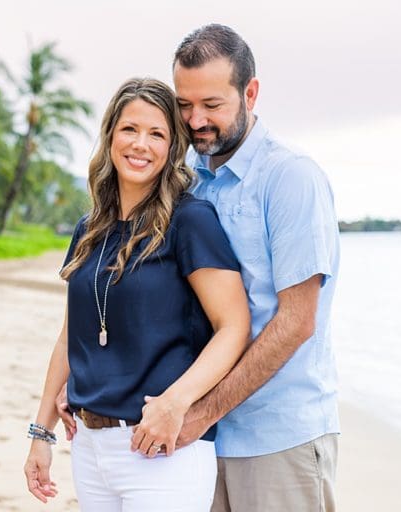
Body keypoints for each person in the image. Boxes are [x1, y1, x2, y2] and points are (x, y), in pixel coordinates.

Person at [23, 77, 251, 512]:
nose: (140, 144)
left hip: (164, 453)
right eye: (130, 129)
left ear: (172, 149)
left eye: (157, 134)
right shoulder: (89, 229)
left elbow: (234, 326)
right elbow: (71, 334)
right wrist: (42, 433)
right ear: (111, 134)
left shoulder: (191, 221)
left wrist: (176, 403)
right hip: (90, 449)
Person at [170, 24, 341, 511]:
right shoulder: (189, 180)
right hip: (203, 441)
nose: (196, 119)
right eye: (184, 105)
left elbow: (296, 322)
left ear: (250, 92)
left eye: (212, 104)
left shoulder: (290, 178)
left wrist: (203, 412)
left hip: (278, 436)